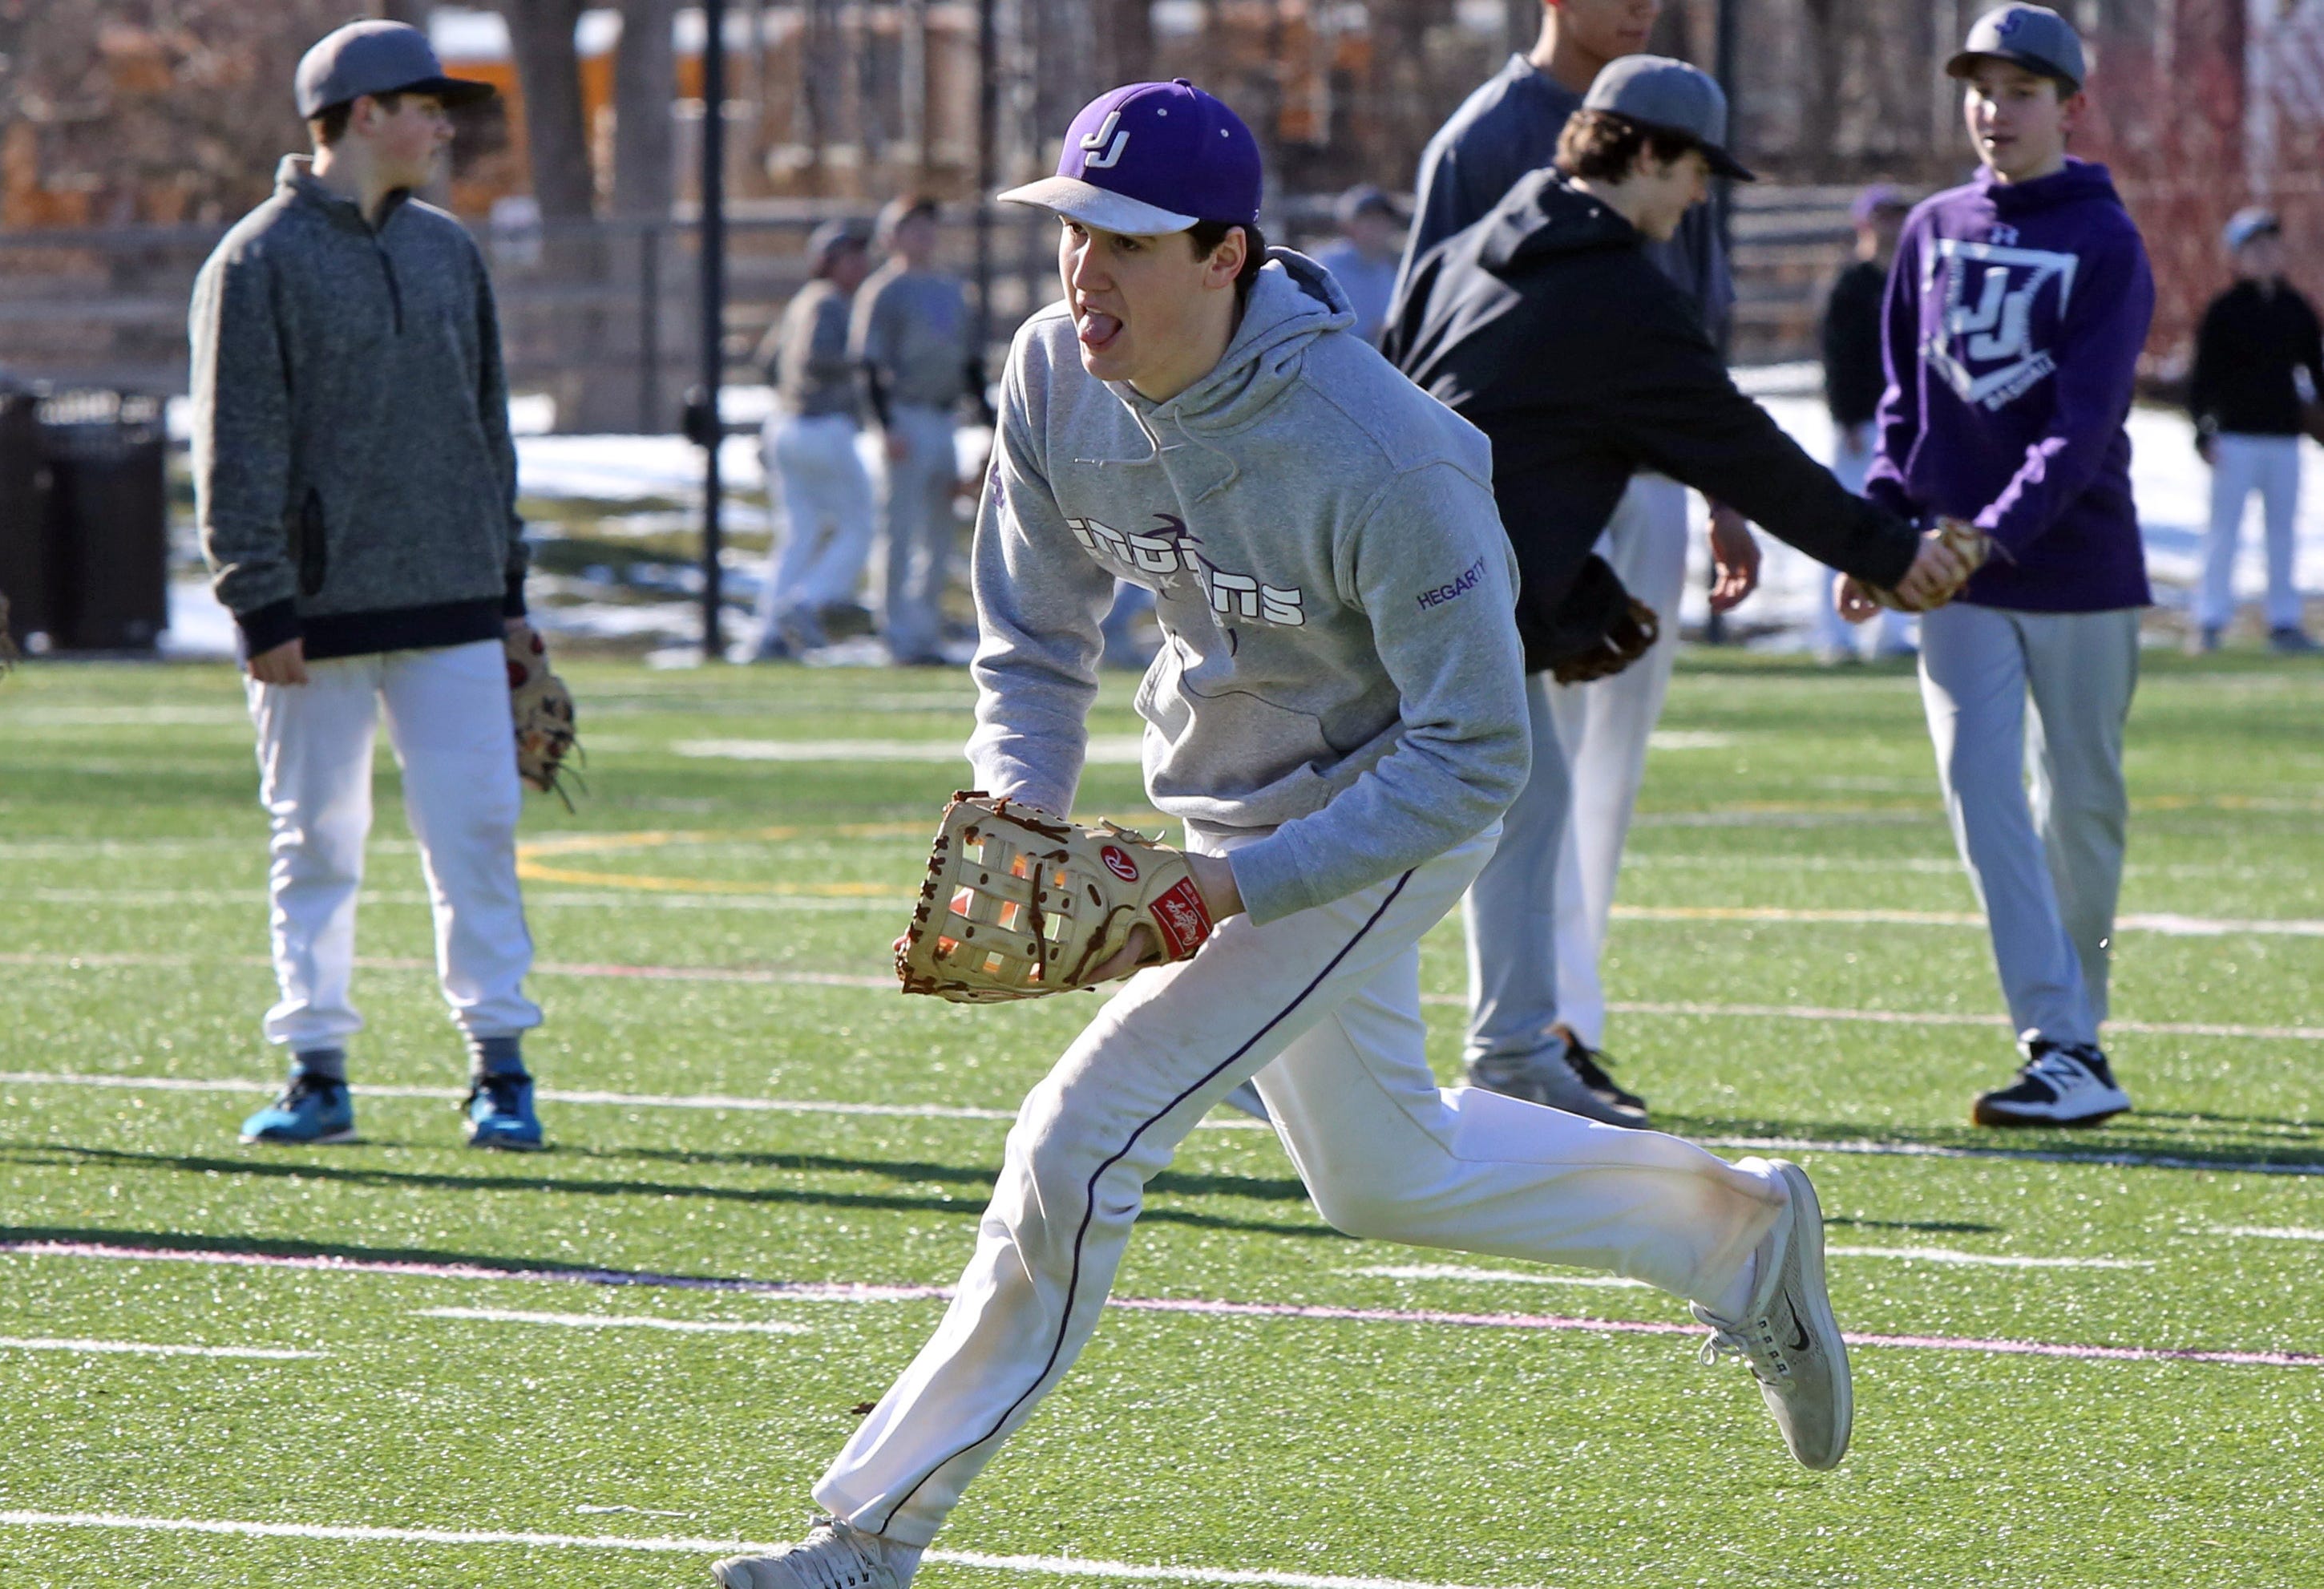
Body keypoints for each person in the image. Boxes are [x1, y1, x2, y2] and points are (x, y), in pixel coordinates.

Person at [711, 79, 1852, 1589]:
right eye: (1071, 231)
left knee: (1078, 1136)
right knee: (1385, 1173)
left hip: (1381, 814)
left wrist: (1229, 891)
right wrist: (1020, 807)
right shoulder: (1052, 374)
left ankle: (867, 1533)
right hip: (1221, 805)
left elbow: (1475, 756)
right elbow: (1033, 637)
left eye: (1126, 241)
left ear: (1223, 255)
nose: (1084, 271)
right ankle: (1734, 1233)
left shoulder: (1387, 452)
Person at [1386, 59, 1967, 1126]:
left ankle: (1511, 1046)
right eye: (1696, 169)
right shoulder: (1616, 296)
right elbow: (1744, 449)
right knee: (1403, 835)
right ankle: (1272, 1029)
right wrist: (1887, 552)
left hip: (1403, 590)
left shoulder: (1476, 250)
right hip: (1439, 609)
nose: (1702, 196)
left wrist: (1568, 585)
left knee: (1524, 797)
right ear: (1645, 151)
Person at [189, 20, 548, 1151]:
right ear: (357, 117)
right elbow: (234, 445)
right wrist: (259, 599)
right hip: (314, 617)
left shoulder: (451, 250)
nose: (444, 125)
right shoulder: (255, 259)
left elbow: (489, 427)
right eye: (425, 105)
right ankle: (316, 1068)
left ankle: (501, 1065)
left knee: (477, 835)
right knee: (315, 843)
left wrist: (510, 594)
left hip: (452, 600)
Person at [1395, 0, 1757, 1113]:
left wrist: (1723, 494)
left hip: (1644, 482)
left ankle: (1561, 1019)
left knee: (1600, 778)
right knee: (1511, 769)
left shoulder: (1675, 120)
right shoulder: (1484, 134)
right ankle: (1529, 1023)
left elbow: (1698, 325)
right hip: (1518, 500)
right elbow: (1423, 337)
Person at [1845, 4, 2156, 1128]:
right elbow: (1901, 408)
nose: (1995, 108)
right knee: (1983, 794)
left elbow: (2081, 427)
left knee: (2083, 807)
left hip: (2074, 563)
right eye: (1980, 85)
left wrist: (1991, 528)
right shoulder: (1929, 227)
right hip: (1950, 573)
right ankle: (2059, 1038)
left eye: (2021, 89)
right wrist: (1876, 532)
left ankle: (2085, 1022)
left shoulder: (2106, 238)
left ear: (2070, 105)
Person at [2187, 207, 2320, 653]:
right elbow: (2203, 377)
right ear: (2238, 256)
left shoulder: (2295, 308)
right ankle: (2210, 620)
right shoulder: (2224, 310)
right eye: (2254, 248)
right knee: (2224, 529)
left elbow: (2316, 371)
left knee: (2282, 532)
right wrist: (2203, 431)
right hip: (2236, 437)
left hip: (2283, 437)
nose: (2264, 256)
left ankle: (2284, 622)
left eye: (2270, 246)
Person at [748, 220, 876, 661]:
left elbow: (766, 363)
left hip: (786, 425)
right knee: (860, 523)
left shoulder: (801, 301)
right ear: (827, 262)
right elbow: (817, 358)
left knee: (799, 532)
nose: (860, 264)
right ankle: (805, 604)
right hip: (823, 424)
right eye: (849, 256)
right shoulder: (831, 303)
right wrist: (864, 366)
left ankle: (768, 631)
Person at [853, 197, 972, 665]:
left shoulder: (949, 289)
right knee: (899, 530)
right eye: (911, 228)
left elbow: (968, 363)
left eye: (928, 227)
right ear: (891, 237)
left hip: (944, 418)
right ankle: (894, 631)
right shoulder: (884, 290)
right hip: (904, 415)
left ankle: (925, 631)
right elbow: (868, 364)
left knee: (938, 532)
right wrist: (883, 427)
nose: (923, 236)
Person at [1814, 185, 1920, 663]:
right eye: (1883, 217)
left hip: (1906, 426)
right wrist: (1846, 417)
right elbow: (1837, 359)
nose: (1892, 226)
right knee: (1845, 525)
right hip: (1861, 424)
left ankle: (1890, 632)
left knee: (1897, 526)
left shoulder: (1914, 282)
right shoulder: (1850, 285)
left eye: (1899, 217)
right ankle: (1836, 636)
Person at [1309, 184, 1401, 345]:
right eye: (1369, 220)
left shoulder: (1390, 271)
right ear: (1348, 225)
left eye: (1383, 220)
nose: (1378, 228)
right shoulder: (1326, 268)